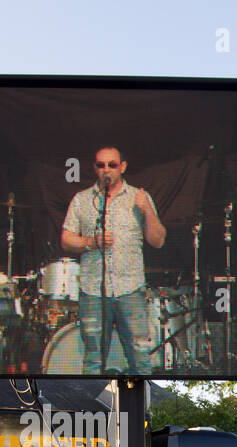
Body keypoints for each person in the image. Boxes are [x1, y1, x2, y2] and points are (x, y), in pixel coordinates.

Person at [60, 145, 166, 375]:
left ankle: (142, 407)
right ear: (95, 168)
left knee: (140, 357)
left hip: (130, 288)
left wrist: (147, 209)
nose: (106, 170)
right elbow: (66, 239)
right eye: (101, 165)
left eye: (112, 164)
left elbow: (158, 240)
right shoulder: (82, 199)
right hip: (93, 290)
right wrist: (90, 242)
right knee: (94, 360)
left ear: (123, 167)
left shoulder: (139, 197)